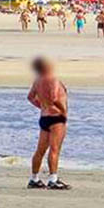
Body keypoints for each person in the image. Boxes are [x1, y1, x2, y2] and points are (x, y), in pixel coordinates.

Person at [27, 57, 70, 190]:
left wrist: (42, 106)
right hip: (56, 117)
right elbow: (54, 98)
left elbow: (30, 97)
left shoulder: (38, 80)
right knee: (54, 149)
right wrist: (63, 112)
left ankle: (34, 178)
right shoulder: (52, 79)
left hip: (45, 117)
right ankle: (53, 179)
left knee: (40, 150)